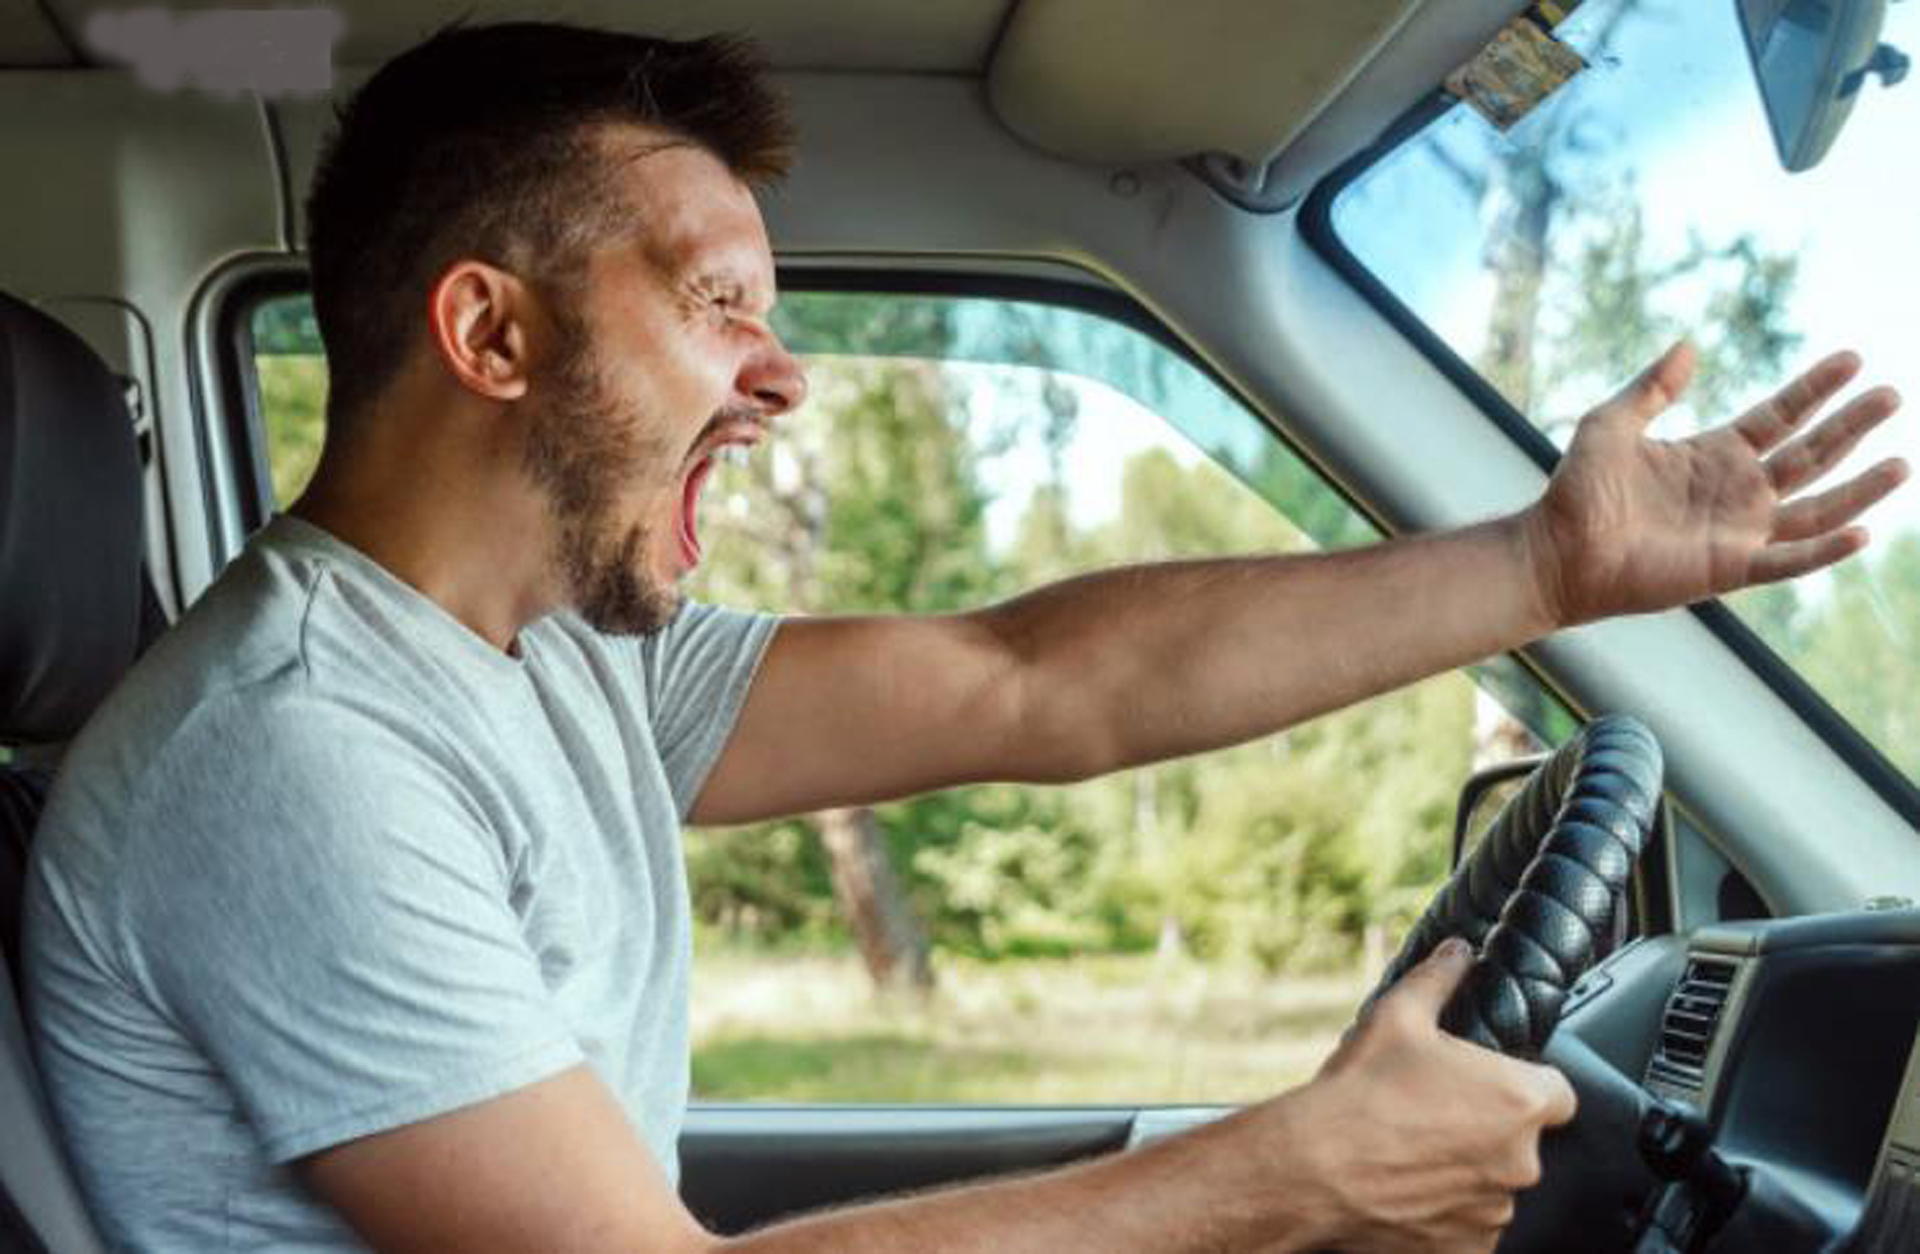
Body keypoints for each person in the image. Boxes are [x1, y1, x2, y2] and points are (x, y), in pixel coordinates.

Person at [21, 21, 1906, 1254]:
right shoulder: (287, 756)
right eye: (718, 306)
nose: (781, 375)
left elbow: (1040, 680)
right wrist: (1291, 1172)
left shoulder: (555, 652)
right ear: (492, 337)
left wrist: (1548, 567)